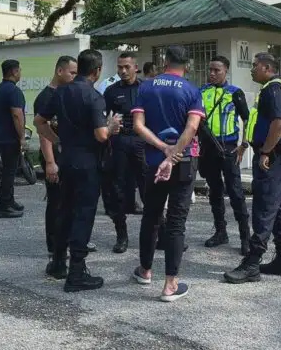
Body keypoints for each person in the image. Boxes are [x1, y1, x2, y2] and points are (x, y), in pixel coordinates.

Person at [36, 49, 121, 292]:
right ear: (96, 71)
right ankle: (76, 272)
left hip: (66, 160)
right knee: (83, 214)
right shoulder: (94, 97)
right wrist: (111, 126)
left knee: (64, 211)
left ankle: (57, 263)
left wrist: (59, 140)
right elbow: (100, 134)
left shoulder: (60, 92)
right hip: (87, 163)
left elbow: (39, 122)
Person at [131, 45, 204, 302]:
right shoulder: (192, 90)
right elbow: (192, 127)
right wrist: (174, 155)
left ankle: (145, 271)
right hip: (184, 161)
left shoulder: (146, 87)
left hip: (152, 159)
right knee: (175, 220)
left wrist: (162, 149)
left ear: (165, 61)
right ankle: (170, 285)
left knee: (151, 215)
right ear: (187, 65)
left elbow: (138, 126)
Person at [225, 52, 281, 284]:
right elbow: (259, 122)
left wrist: (265, 151)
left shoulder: (273, 90)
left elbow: (279, 123)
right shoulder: (272, 89)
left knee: (264, 206)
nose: (252, 69)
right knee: (279, 205)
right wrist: (247, 144)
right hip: (275, 154)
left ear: (267, 67)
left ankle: (252, 262)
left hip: (273, 156)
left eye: (255, 66)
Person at [33, 56, 97, 260]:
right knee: (56, 203)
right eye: (71, 72)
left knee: (68, 202)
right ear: (59, 71)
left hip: (67, 156)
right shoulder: (47, 97)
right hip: (55, 159)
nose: (75, 76)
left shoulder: (66, 94)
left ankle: (70, 241)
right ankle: (54, 247)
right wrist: (51, 162)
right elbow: (42, 131)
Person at [197, 55, 251, 255]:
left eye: (216, 70)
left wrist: (243, 144)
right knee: (214, 190)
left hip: (228, 147)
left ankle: (245, 237)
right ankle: (221, 232)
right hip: (207, 148)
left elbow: (247, 119)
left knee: (236, 192)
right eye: (210, 69)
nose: (212, 73)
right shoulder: (201, 91)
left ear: (225, 71)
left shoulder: (235, 92)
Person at [102, 51, 148, 253]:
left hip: (142, 143)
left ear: (135, 67)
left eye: (127, 67)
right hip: (119, 142)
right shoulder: (111, 91)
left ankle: (160, 233)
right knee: (117, 190)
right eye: (120, 67)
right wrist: (109, 126)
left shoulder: (147, 88)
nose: (123, 71)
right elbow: (103, 117)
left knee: (149, 188)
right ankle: (121, 236)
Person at [0, 59, 27, 219]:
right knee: (9, 172)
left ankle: (10, 201)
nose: (20, 73)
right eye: (19, 70)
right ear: (14, 72)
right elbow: (17, 115)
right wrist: (22, 137)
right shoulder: (13, 91)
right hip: (10, 138)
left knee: (8, 170)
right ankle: (4, 205)